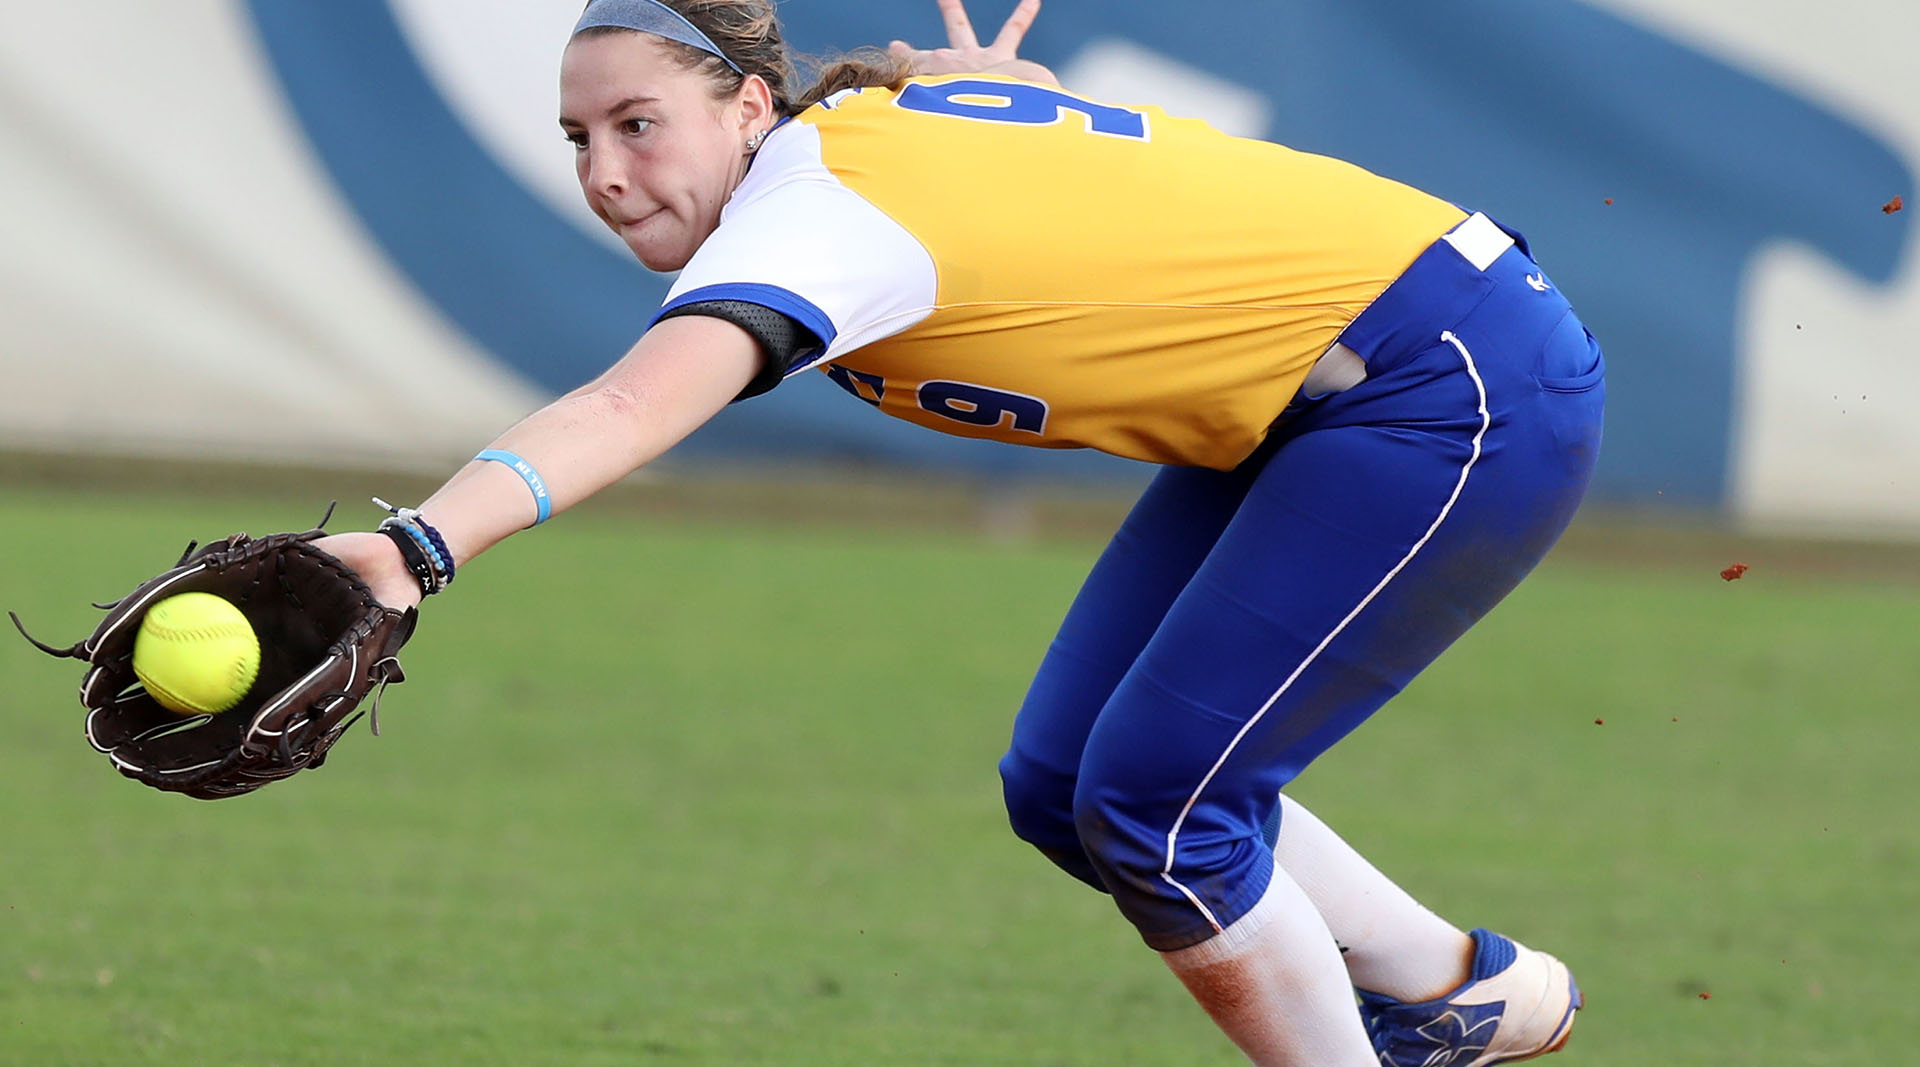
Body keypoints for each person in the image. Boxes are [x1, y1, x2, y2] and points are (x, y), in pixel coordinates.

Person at [319, 1, 1603, 1063]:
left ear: (751, 109)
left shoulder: (820, 213)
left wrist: (412, 552)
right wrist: (974, 83)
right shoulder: (860, 133)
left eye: (640, 124)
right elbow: (986, 106)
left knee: (1160, 811)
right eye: (581, 134)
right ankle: (1464, 993)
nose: (605, 170)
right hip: (1320, 394)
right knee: (1065, 785)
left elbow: (625, 406)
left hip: (1448, 383)